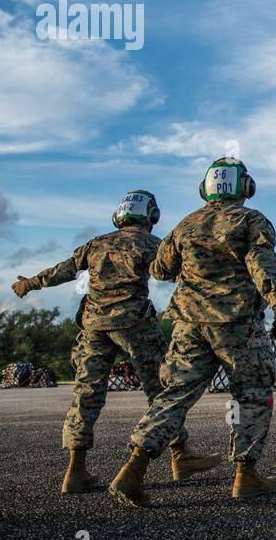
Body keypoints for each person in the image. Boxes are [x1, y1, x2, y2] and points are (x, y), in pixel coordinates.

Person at [12, 190, 221, 493]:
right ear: (151, 216)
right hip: (134, 323)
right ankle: (180, 455)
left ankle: (75, 472)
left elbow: (63, 271)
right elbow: (183, 273)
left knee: (87, 394)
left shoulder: (96, 244)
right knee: (162, 390)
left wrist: (28, 283)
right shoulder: (151, 243)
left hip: (93, 326)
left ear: (118, 216)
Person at [109, 159, 276, 507]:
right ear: (246, 188)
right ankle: (245, 475)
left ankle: (133, 469)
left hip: (188, 325)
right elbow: (260, 260)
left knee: (174, 394)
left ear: (204, 189)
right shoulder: (252, 220)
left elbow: (160, 270)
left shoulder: (185, 224)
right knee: (251, 393)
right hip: (237, 324)